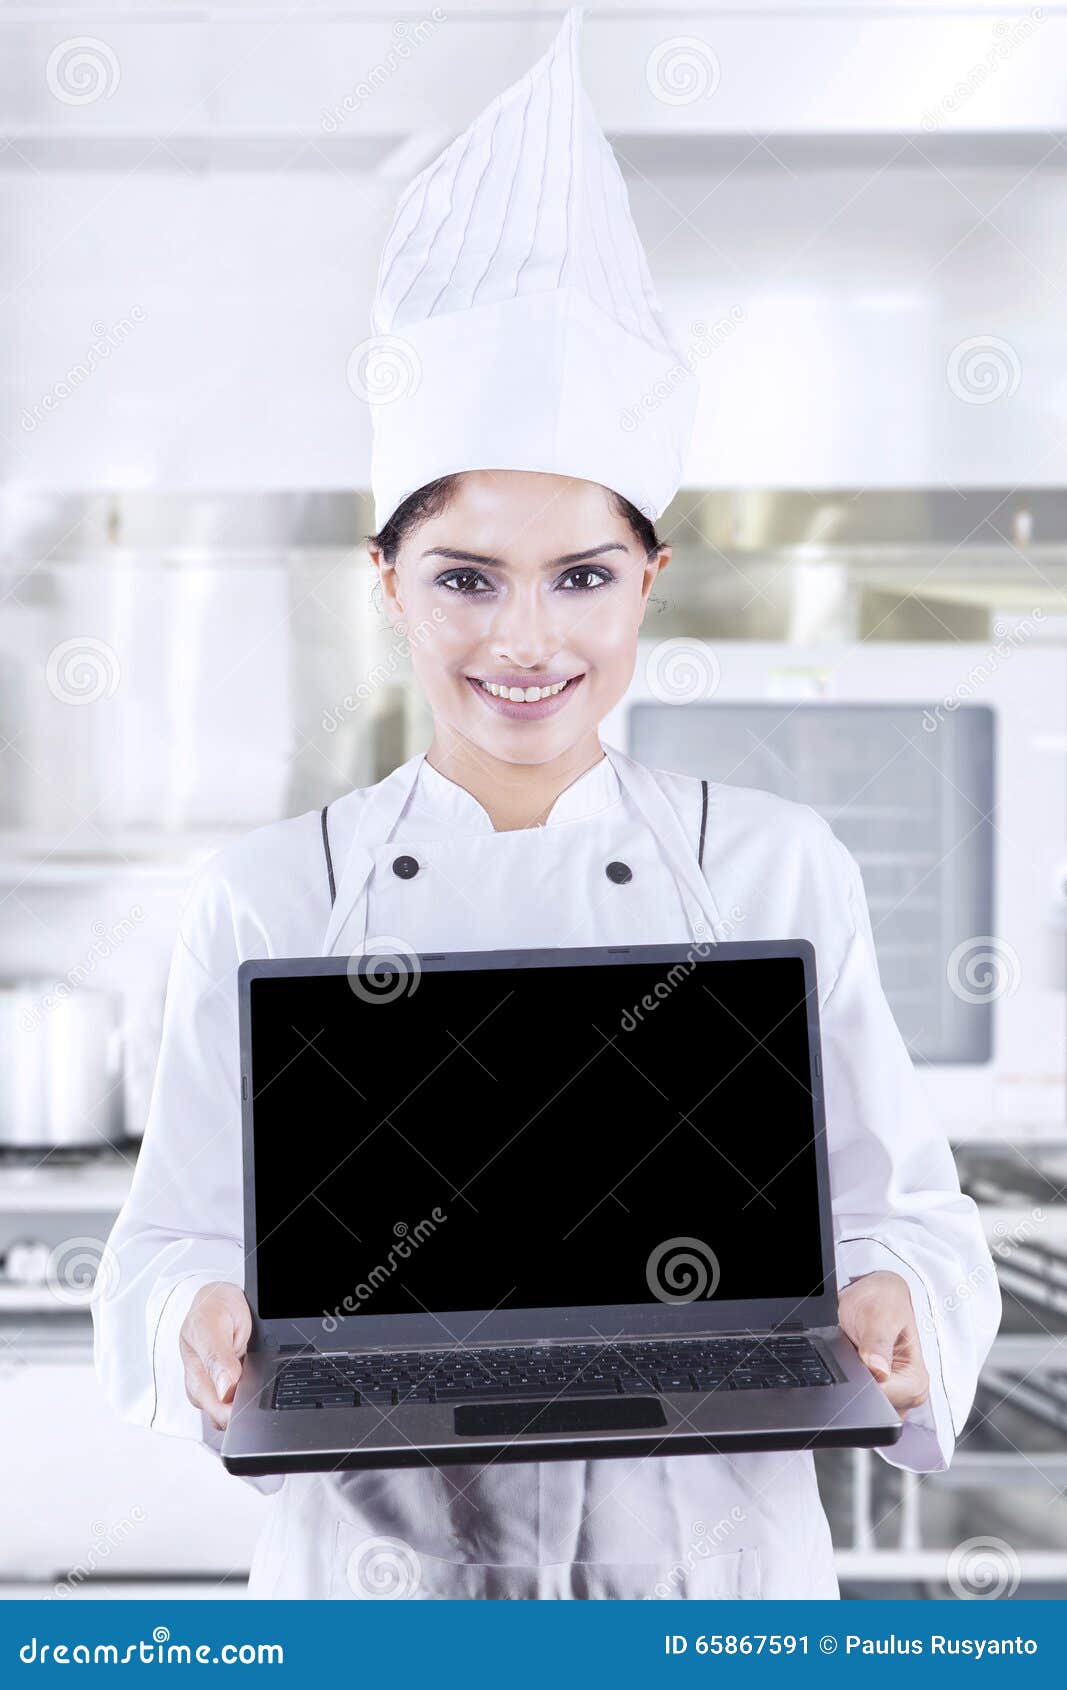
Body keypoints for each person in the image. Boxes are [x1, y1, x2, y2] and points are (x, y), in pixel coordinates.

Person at [93, 8, 999, 1600]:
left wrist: (901, 1311)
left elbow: (911, 1209)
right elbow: (162, 1244)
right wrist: (196, 1323)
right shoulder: (277, 891)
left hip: (709, 1591)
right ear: (386, 581)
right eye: (466, 579)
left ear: (650, 578)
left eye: (582, 576)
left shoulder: (773, 867)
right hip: (385, 1591)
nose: (527, 639)